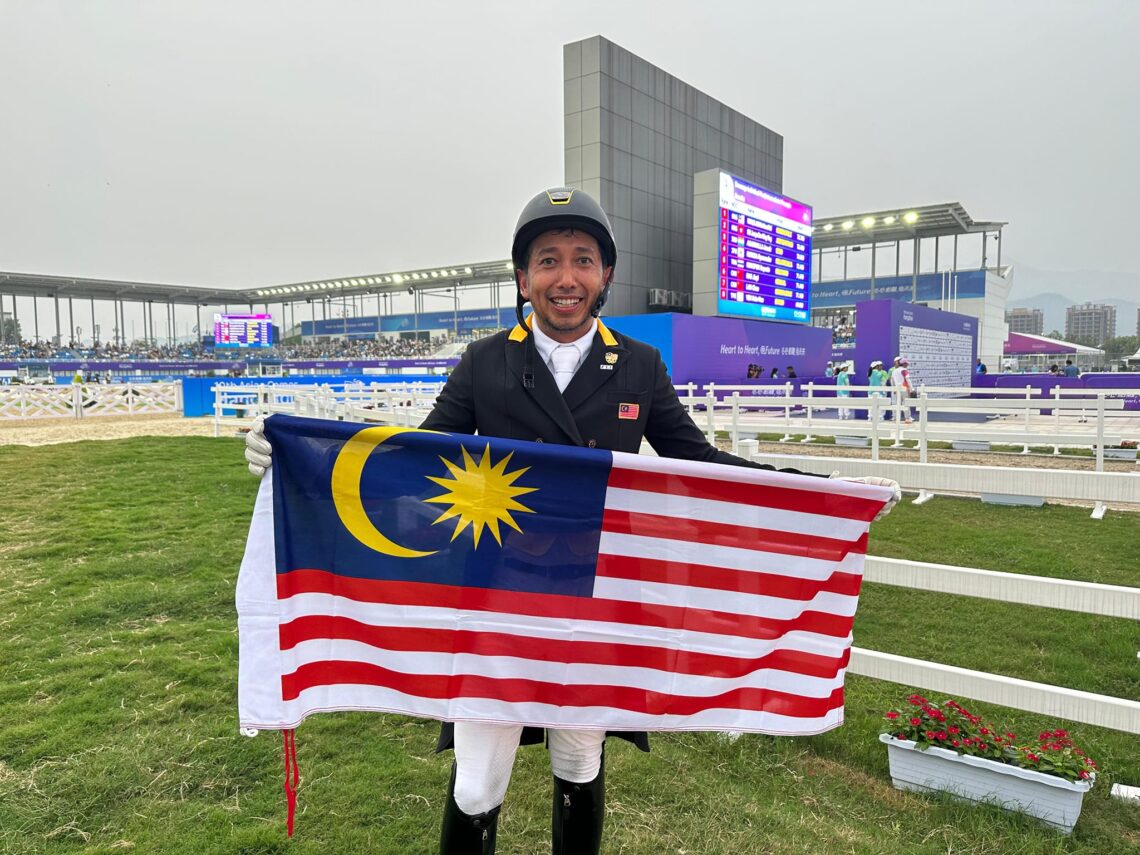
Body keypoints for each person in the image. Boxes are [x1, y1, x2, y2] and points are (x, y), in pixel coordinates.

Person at [244, 186, 900, 854]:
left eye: (583, 259)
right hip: (500, 600)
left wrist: (828, 492)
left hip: (596, 601)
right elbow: (415, 457)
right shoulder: (486, 360)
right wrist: (306, 460)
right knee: (477, 779)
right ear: (523, 277)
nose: (566, 277)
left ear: (606, 273)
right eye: (548, 260)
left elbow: (700, 462)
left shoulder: (639, 364)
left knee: (580, 763)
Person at [889, 357, 914, 424]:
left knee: (897, 404)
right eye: (907, 364)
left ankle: (896, 418)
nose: (907, 365)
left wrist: (894, 389)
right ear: (904, 364)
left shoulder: (894, 371)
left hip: (897, 389)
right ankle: (907, 418)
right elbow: (908, 379)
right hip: (904, 389)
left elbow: (892, 381)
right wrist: (912, 389)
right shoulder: (904, 370)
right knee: (906, 404)